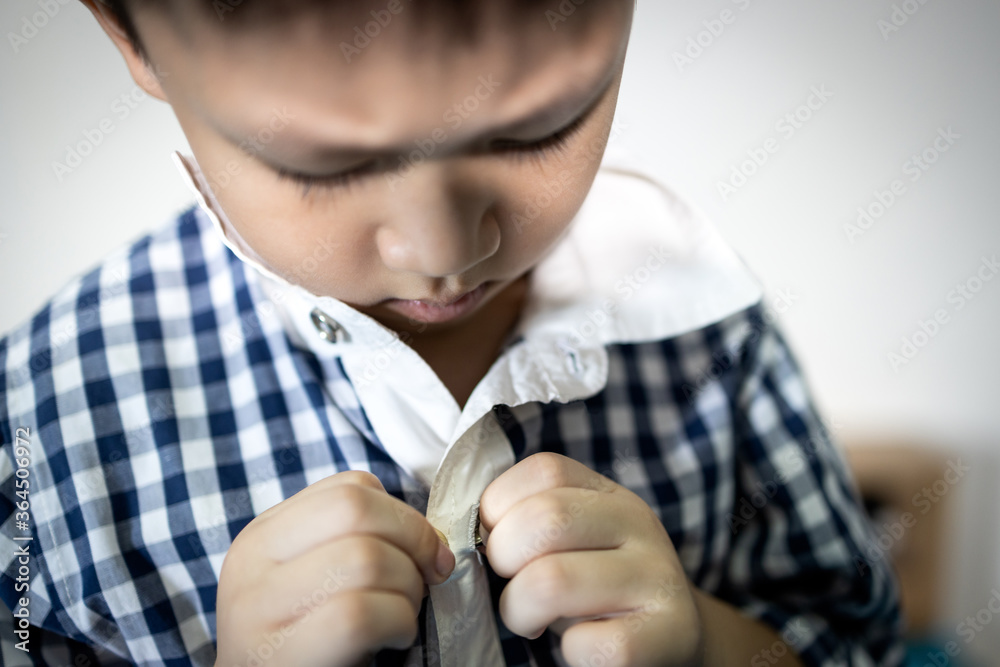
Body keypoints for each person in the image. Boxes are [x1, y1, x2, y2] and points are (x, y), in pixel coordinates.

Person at [0, 1, 906, 665]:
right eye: (322, 162)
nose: (443, 252)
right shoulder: (43, 423)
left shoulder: (709, 322)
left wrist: (710, 647)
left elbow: (855, 640)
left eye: (536, 129)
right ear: (130, 33)